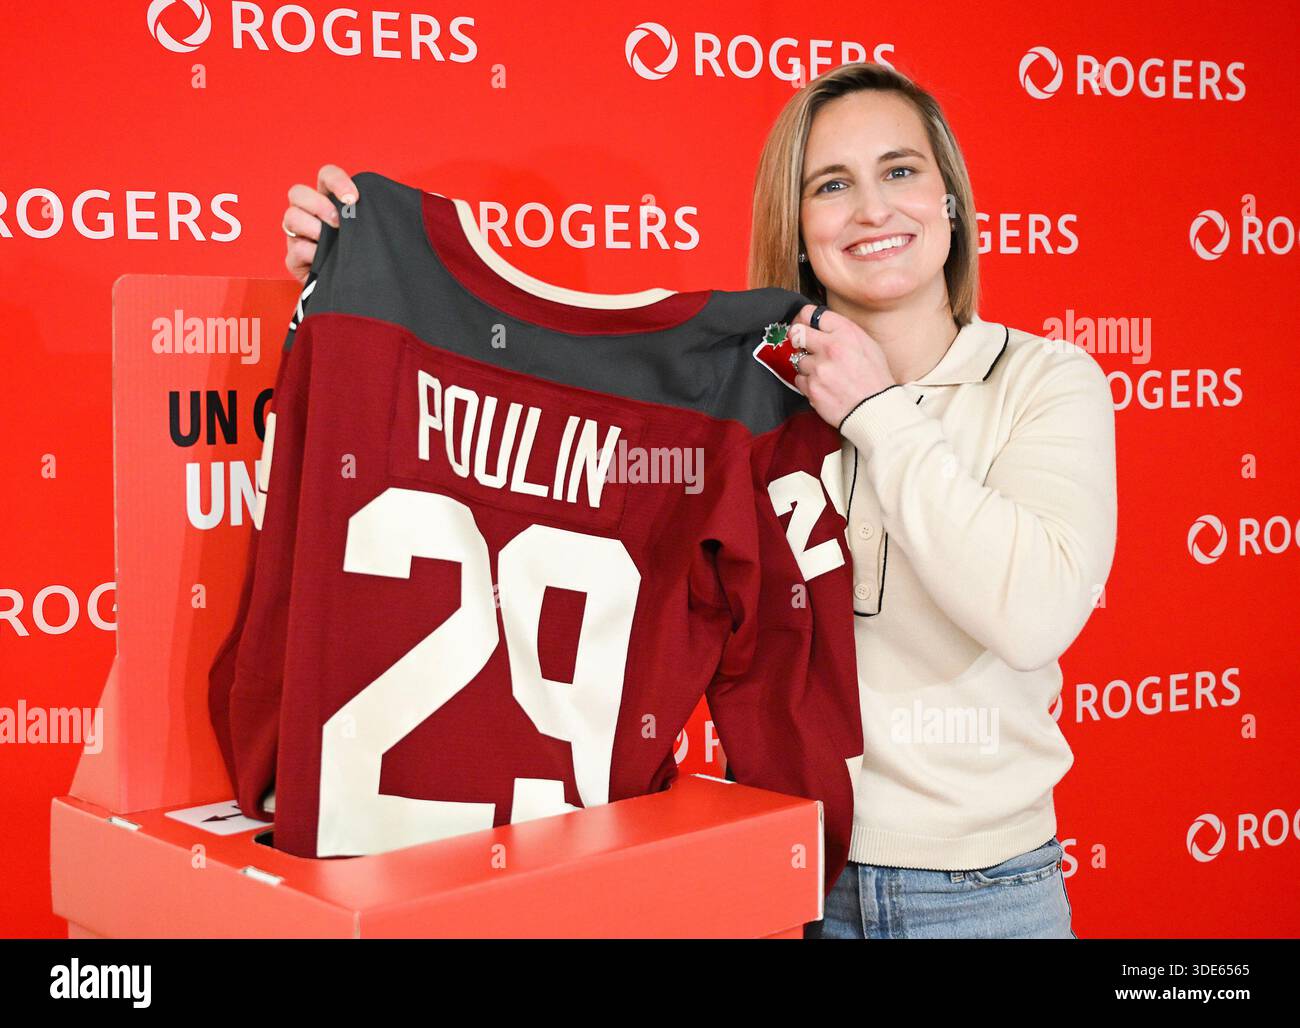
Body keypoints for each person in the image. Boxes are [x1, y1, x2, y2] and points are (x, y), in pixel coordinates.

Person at [279, 61, 1116, 939]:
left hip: (984, 894)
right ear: (796, 225)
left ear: (952, 201)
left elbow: (1032, 614)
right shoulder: (742, 407)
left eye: (901, 171)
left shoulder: (1044, 381)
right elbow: (549, 413)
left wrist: (878, 414)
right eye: (831, 185)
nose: (873, 209)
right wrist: (354, 283)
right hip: (791, 876)